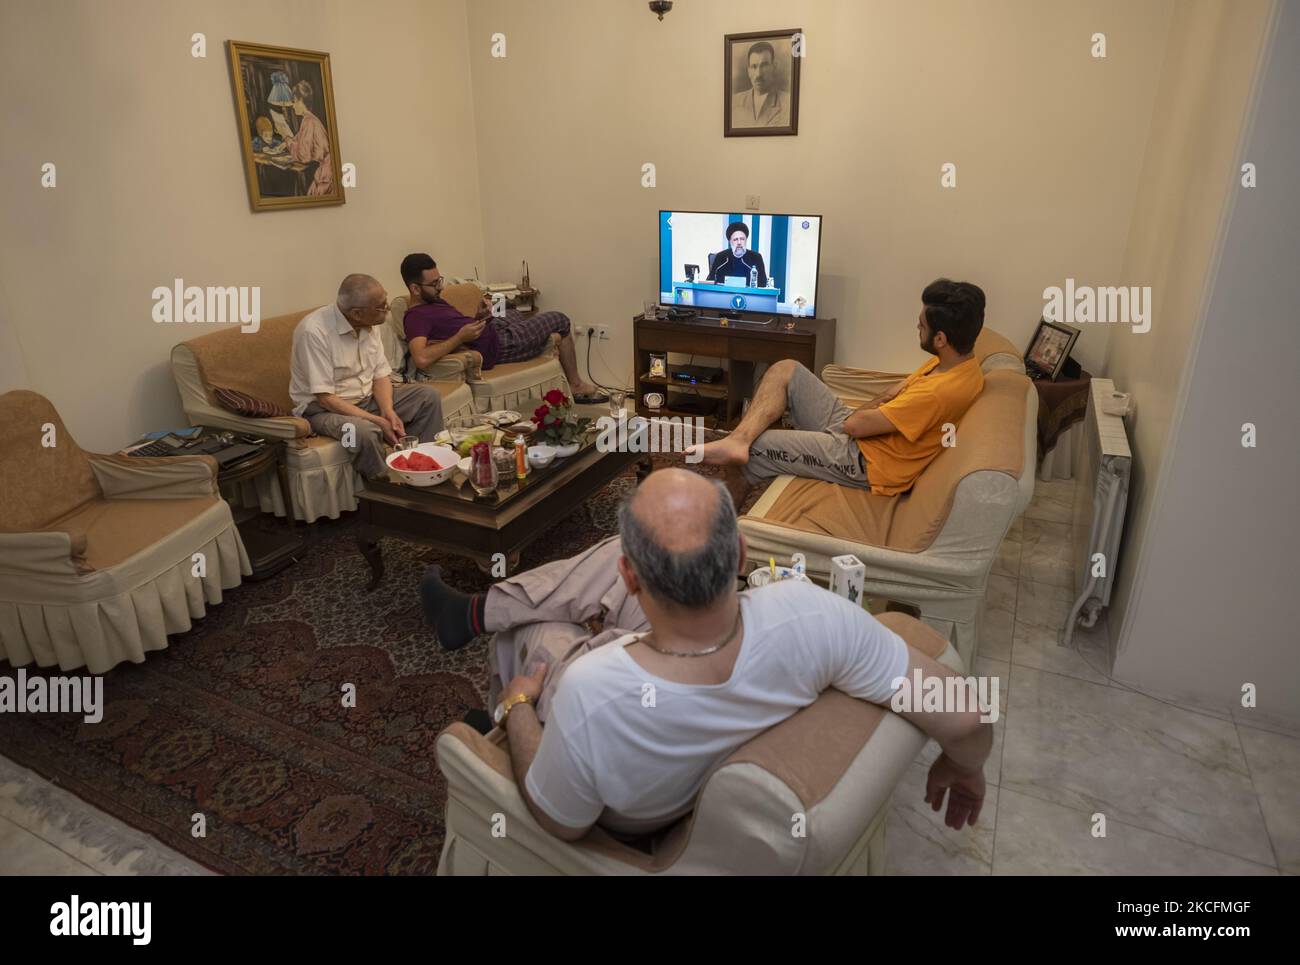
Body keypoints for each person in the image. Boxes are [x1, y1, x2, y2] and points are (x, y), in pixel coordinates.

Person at [419, 468, 990, 840]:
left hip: (636, 814)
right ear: (740, 552)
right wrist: (964, 766)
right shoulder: (815, 615)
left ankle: (489, 711)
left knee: (534, 636)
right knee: (575, 603)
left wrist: (518, 706)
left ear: (632, 577)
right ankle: (482, 614)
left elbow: (557, 821)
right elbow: (964, 716)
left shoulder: (594, 692)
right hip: (682, 659)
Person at [688, 278, 987, 496]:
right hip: (867, 434)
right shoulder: (957, 364)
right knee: (786, 368)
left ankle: (722, 524)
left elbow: (857, 426)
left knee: (760, 448)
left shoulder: (938, 391)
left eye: (921, 325)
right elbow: (876, 409)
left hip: (866, 462)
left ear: (940, 340)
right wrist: (880, 402)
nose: (916, 328)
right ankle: (737, 440)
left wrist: (880, 401)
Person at [289, 273, 444, 479]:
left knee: (428, 397)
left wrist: (387, 411)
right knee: (363, 432)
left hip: (366, 399)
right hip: (322, 411)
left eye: (385, 300)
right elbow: (325, 398)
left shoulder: (369, 325)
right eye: (381, 306)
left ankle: (424, 469)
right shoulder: (313, 332)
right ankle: (382, 489)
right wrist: (376, 420)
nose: (387, 308)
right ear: (357, 313)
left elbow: (380, 376)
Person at [399, 253, 608, 404]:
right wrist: (459, 338)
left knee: (507, 306)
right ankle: (576, 384)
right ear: (415, 288)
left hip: (488, 328)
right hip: (499, 345)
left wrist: (479, 316)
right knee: (560, 320)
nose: (440, 287)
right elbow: (421, 358)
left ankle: (509, 320)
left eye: (440, 281)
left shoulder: (433, 302)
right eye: (434, 284)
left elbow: (453, 327)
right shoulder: (415, 317)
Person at [281, 79, 333, 196]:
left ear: (301, 100)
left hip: (326, 175)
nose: (293, 106)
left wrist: (287, 140)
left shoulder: (309, 122)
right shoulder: (310, 119)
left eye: (294, 102)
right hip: (324, 170)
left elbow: (304, 156)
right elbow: (298, 139)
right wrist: (287, 140)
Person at [731, 40, 791, 128]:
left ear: (774, 67)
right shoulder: (734, 102)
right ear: (748, 71)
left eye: (764, 65)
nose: (758, 74)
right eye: (754, 66)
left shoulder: (788, 102)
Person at [706, 221, 768, 287]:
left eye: (742, 239)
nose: (739, 242)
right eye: (735, 239)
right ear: (730, 242)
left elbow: (763, 284)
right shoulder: (721, 257)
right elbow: (710, 282)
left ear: (746, 240)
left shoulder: (756, 257)